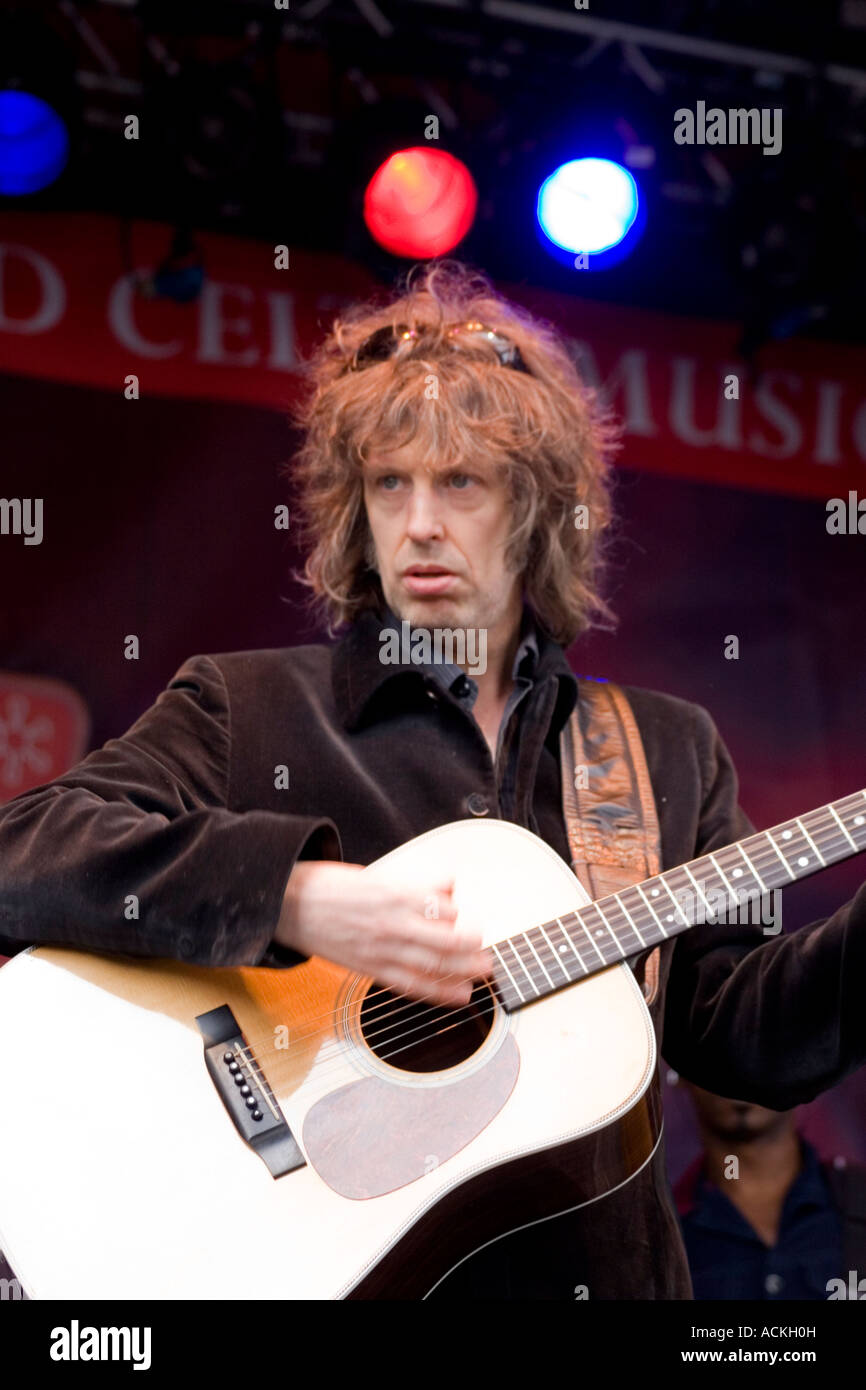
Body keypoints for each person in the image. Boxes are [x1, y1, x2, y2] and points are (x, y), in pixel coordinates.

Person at [0, 260, 864, 1299]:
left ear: (537, 510)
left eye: (461, 482)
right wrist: (292, 894)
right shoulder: (250, 708)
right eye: (387, 483)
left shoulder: (663, 749)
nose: (417, 524)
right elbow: (25, 852)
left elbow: (747, 1041)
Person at [674, 1081, 866, 1300]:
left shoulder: (857, 1197)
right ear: (679, 1071)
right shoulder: (655, 1240)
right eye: (713, 1049)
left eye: (766, 1046)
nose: (742, 1067)